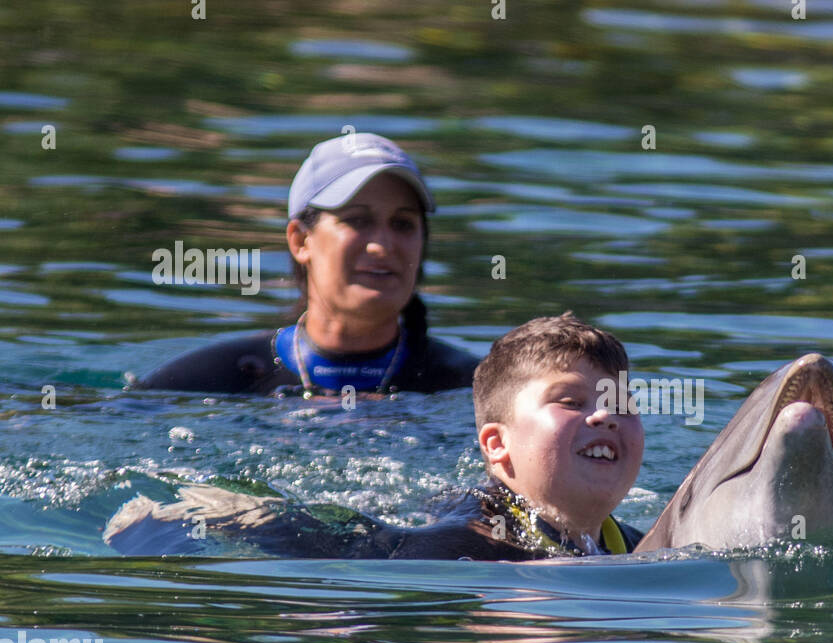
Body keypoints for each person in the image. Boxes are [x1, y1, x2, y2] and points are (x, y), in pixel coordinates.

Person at [105, 313, 647, 560]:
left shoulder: (636, 543)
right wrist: (213, 512)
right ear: (497, 446)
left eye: (619, 403)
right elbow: (349, 544)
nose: (604, 418)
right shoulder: (467, 547)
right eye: (570, 402)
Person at [128, 132, 477, 395]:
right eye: (357, 220)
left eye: (402, 224)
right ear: (300, 240)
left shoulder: (472, 388)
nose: (382, 245)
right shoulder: (206, 381)